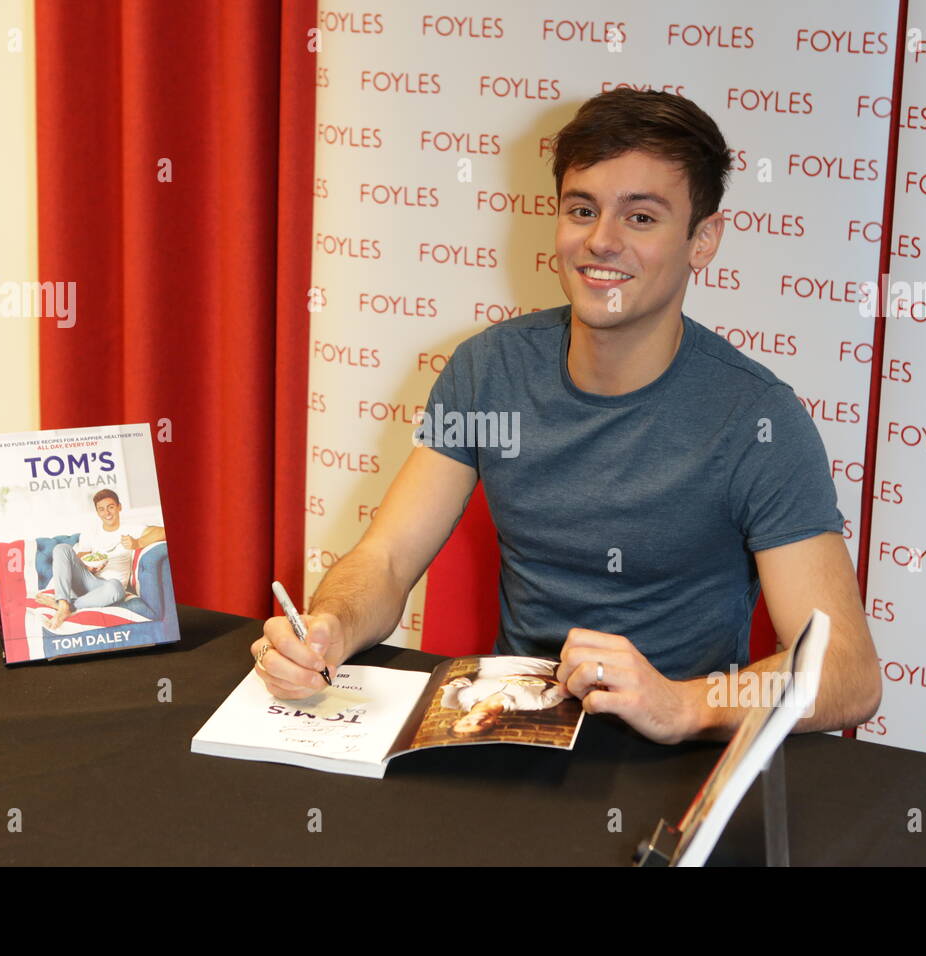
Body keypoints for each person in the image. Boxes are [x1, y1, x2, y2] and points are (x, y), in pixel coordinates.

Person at [254, 89, 882, 744]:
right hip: (509, 734)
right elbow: (384, 561)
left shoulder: (759, 420)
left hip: (675, 758)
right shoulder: (487, 371)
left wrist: (684, 706)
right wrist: (330, 625)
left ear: (704, 240)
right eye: (583, 210)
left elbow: (847, 673)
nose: (602, 241)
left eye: (641, 218)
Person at [37, 489, 166, 630]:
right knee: (61, 548)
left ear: (119, 507)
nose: (107, 513)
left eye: (111, 507)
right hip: (87, 580)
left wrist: (138, 543)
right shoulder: (91, 532)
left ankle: (68, 606)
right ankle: (63, 603)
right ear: (98, 512)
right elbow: (79, 557)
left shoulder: (132, 528)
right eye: (101, 509)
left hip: (108, 588)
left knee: (115, 586)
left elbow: (163, 531)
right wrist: (88, 567)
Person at [440, 658, 572, 737]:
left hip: (498, 653)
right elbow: (564, 686)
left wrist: (457, 680)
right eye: (483, 724)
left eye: (468, 723)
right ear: (497, 722)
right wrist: (539, 678)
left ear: (455, 721)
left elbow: (449, 680)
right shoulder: (535, 704)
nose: (478, 720)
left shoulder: (452, 701)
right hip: (541, 657)